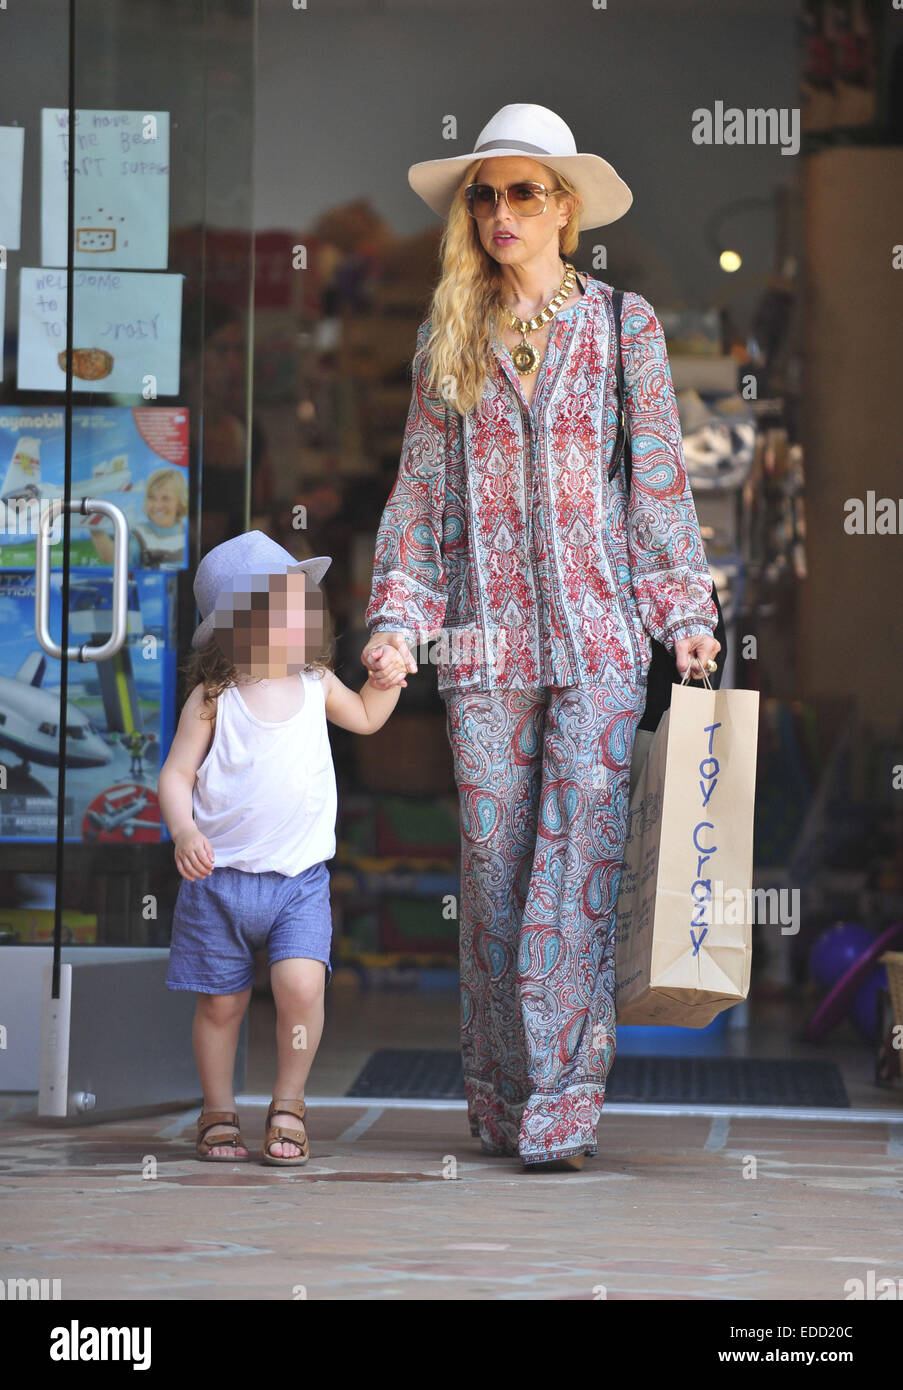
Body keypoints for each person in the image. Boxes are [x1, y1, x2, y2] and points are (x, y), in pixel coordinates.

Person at [361, 104, 721, 1172]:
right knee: (493, 876)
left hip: (602, 645)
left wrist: (684, 618)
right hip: (485, 652)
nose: (501, 211)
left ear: (566, 207)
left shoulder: (623, 326)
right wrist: (397, 624)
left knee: (573, 872)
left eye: (523, 191)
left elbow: (659, 484)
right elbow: (423, 505)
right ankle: (502, 1091)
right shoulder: (448, 335)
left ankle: (562, 1102)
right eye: (486, 193)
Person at [159, 530, 408, 1164]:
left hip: (299, 879)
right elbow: (175, 775)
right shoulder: (213, 699)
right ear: (233, 630)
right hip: (218, 878)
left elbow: (368, 717)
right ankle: (217, 1112)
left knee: (302, 987)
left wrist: (385, 679)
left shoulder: (317, 683)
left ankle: (288, 1103)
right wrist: (185, 831)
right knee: (222, 1003)